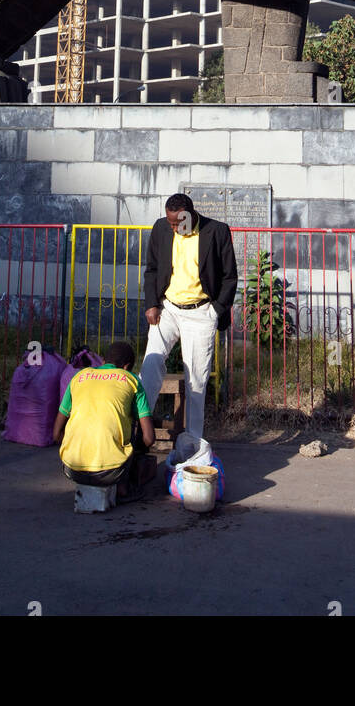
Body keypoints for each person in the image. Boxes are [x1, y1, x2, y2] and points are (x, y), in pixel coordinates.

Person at [139, 193, 238, 441]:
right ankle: (138, 430)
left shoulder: (216, 231)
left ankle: (192, 441)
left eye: (179, 222)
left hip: (201, 312)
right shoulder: (161, 229)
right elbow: (151, 269)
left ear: (191, 214)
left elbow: (229, 277)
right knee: (150, 367)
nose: (174, 227)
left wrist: (215, 310)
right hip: (168, 310)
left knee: (196, 380)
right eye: (171, 222)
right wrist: (151, 304)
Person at [52, 340, 156, 503]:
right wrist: (135, 449)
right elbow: (149, 438)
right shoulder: (131, 380)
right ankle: (123, 488)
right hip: (112, 472)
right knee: (129, 421)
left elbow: (56, 434)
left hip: (72, 469)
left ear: (102, 361)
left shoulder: (79, 377)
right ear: (126, 367)